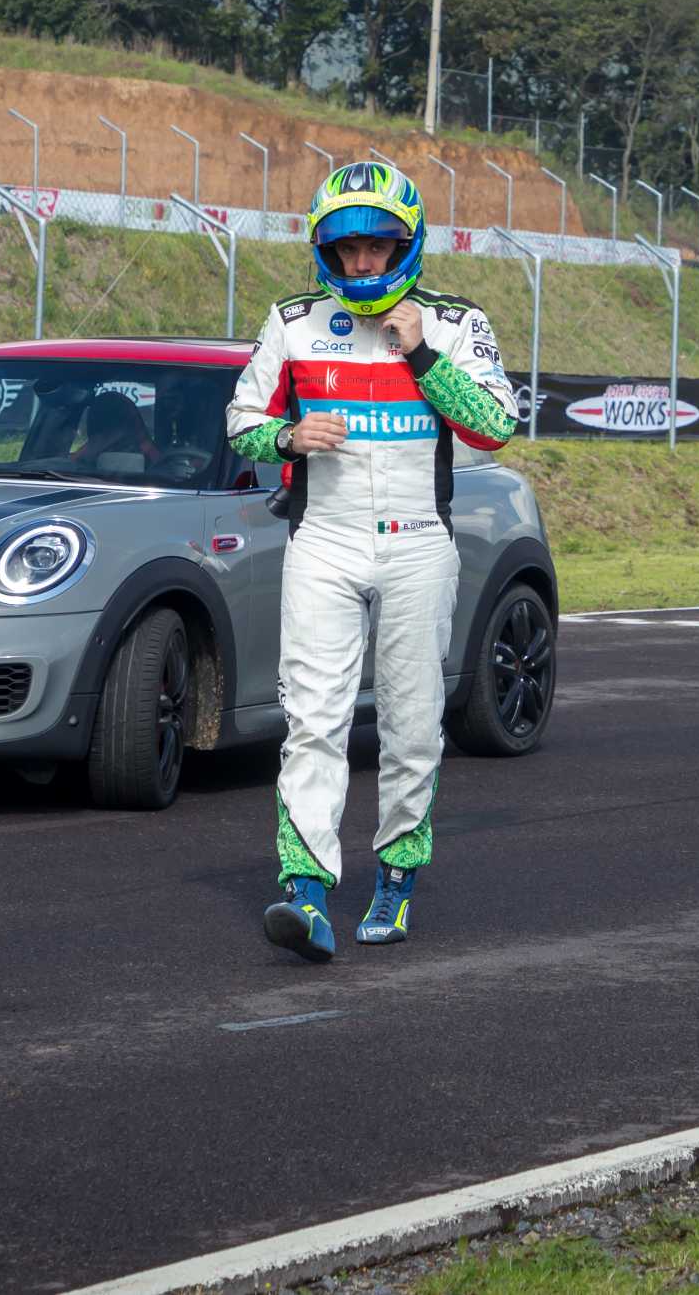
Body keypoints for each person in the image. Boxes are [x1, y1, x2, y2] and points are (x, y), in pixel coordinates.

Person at [226, 161, 519, 962]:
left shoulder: (458, 323)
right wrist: (286, 437)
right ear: (326, 249)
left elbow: (496, 424)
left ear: (407, 244)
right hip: (322, 538)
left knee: (411, 721)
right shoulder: (291, 321)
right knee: (312, 720)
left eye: (379, 247)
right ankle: (306, 892)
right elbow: (240, 421)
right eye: (348, 248)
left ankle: (397, 874)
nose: (363, 264)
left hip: (420, 540)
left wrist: (422, 356)